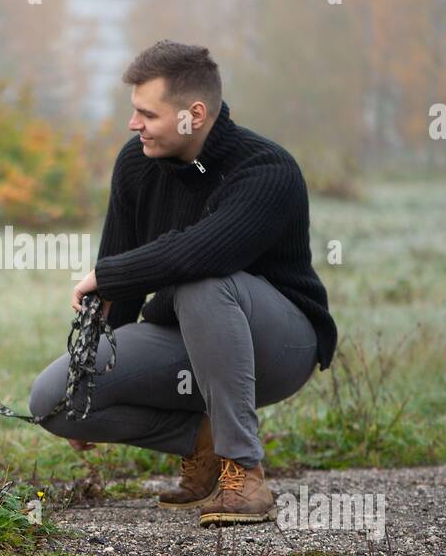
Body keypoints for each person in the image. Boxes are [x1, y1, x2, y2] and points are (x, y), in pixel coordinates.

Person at [29, 41, 337, 527]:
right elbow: (123, 290)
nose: (134, 124)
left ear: (194, 114)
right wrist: (87, 380)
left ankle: (245, 471)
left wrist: (106, 275)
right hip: (190, 343)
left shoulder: (267, 171)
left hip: (279, 347)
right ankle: (203, 444)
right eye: (134, 112)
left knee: (201, 281)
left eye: (146, 114)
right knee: (53, 400)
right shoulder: (136, 164)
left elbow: (201, 253)